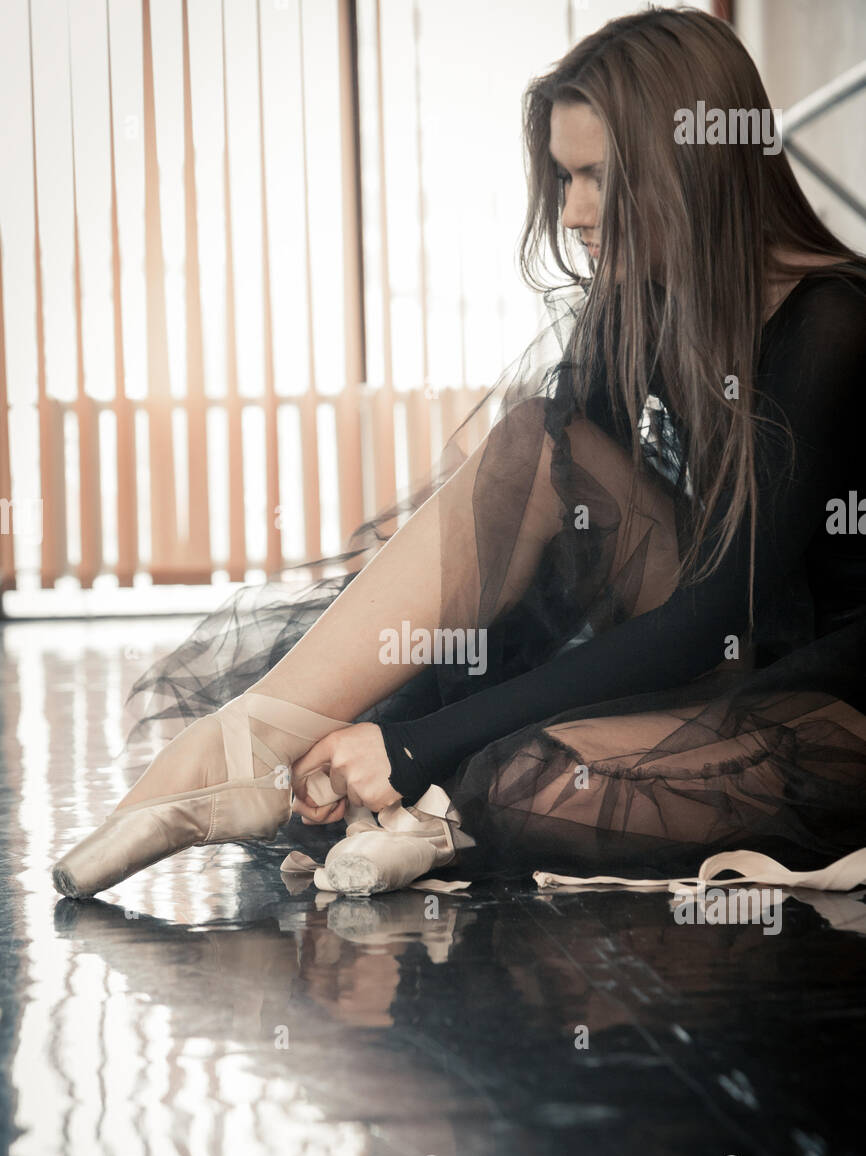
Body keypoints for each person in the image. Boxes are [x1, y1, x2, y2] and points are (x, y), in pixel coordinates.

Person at [52, 6, 866, 901]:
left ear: (697, 169)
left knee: (534, 781)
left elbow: (709, 613)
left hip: (826, 693)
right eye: (564, 179)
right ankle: (243, 745)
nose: (576, 213)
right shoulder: (642, 305)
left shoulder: (833, 321)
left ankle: (439, 815)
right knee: (533, 441)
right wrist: (385, 725)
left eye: (601, 178)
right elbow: (542, 563)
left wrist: (409, 751)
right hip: (729, 645)